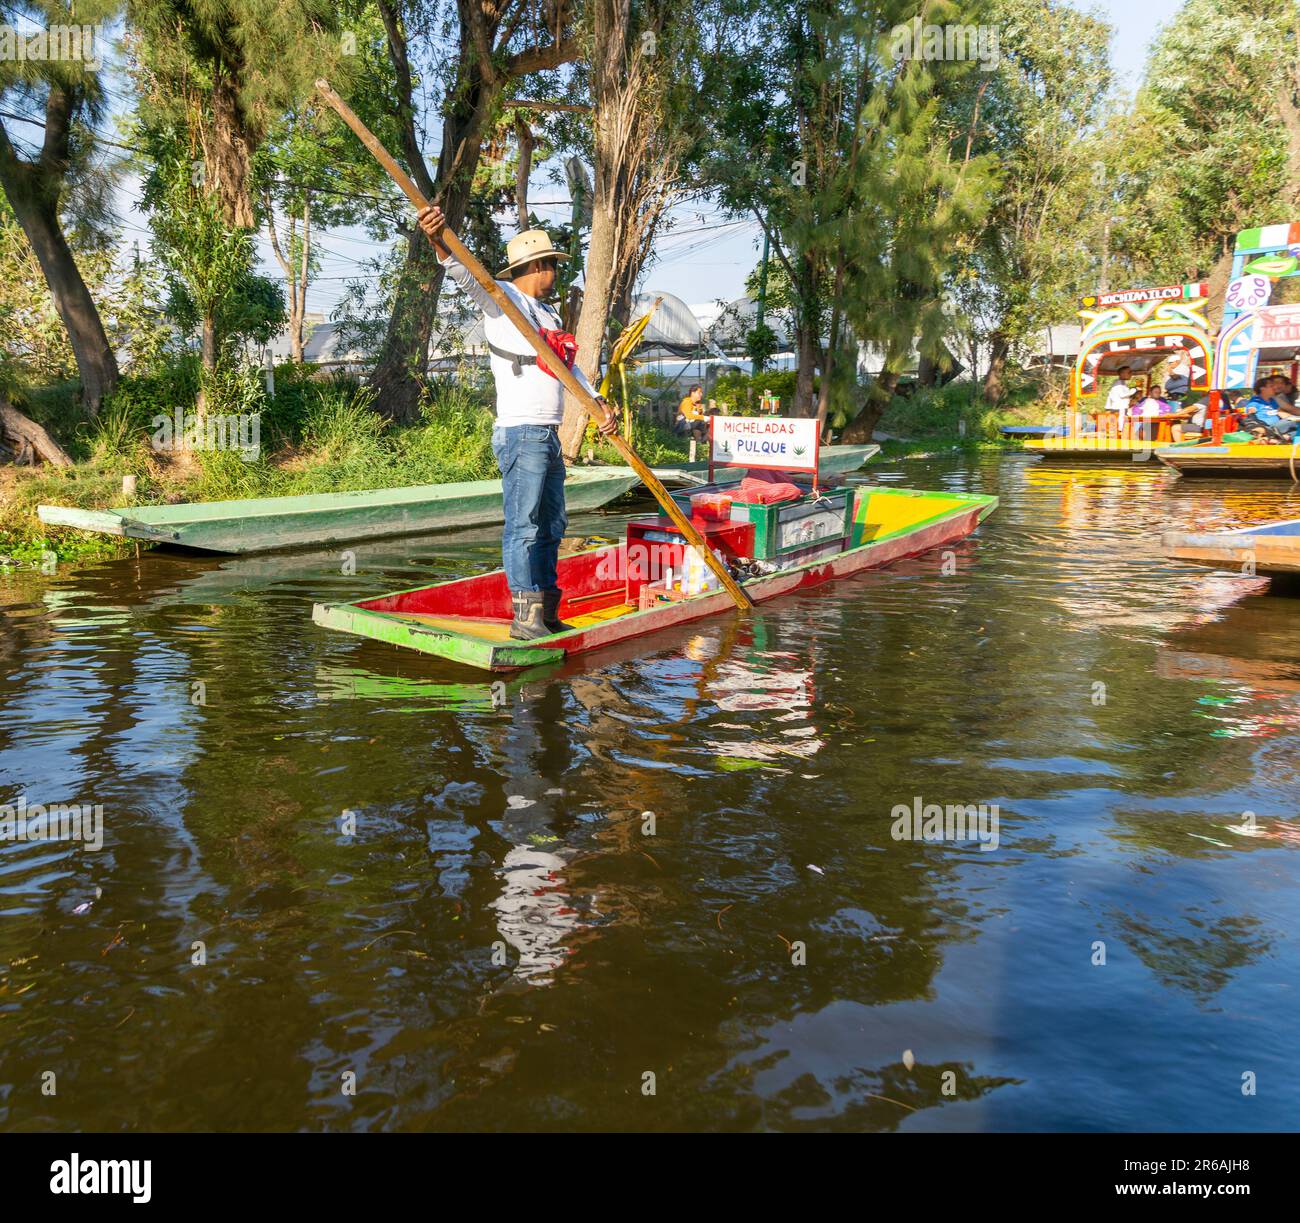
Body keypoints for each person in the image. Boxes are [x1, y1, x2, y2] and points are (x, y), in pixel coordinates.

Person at [417, 205, 617, 639]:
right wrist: (438, 238)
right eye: (553, 267)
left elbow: (571, 371)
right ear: (538, 267)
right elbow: (463, 273)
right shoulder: (501, 298)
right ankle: (524, 619)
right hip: (521, 433)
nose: (557, 276)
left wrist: (599, 404)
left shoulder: (548, 317)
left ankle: (545, 611)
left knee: (551, 526)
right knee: (524, 525)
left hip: (547, 434)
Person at [1240, 375, 1300, 440]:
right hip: (1265, 428)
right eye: (1271, 386)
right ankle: (1273, 436)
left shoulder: (1273, 401)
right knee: (1290, 422)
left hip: (1277, 428)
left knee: (1296, 426)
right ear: (1262, 388)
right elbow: (1250, 414)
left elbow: (1282, 413)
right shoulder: (1256, 401)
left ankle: (1281, 438)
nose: (1274, 388)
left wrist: (1295, 419)